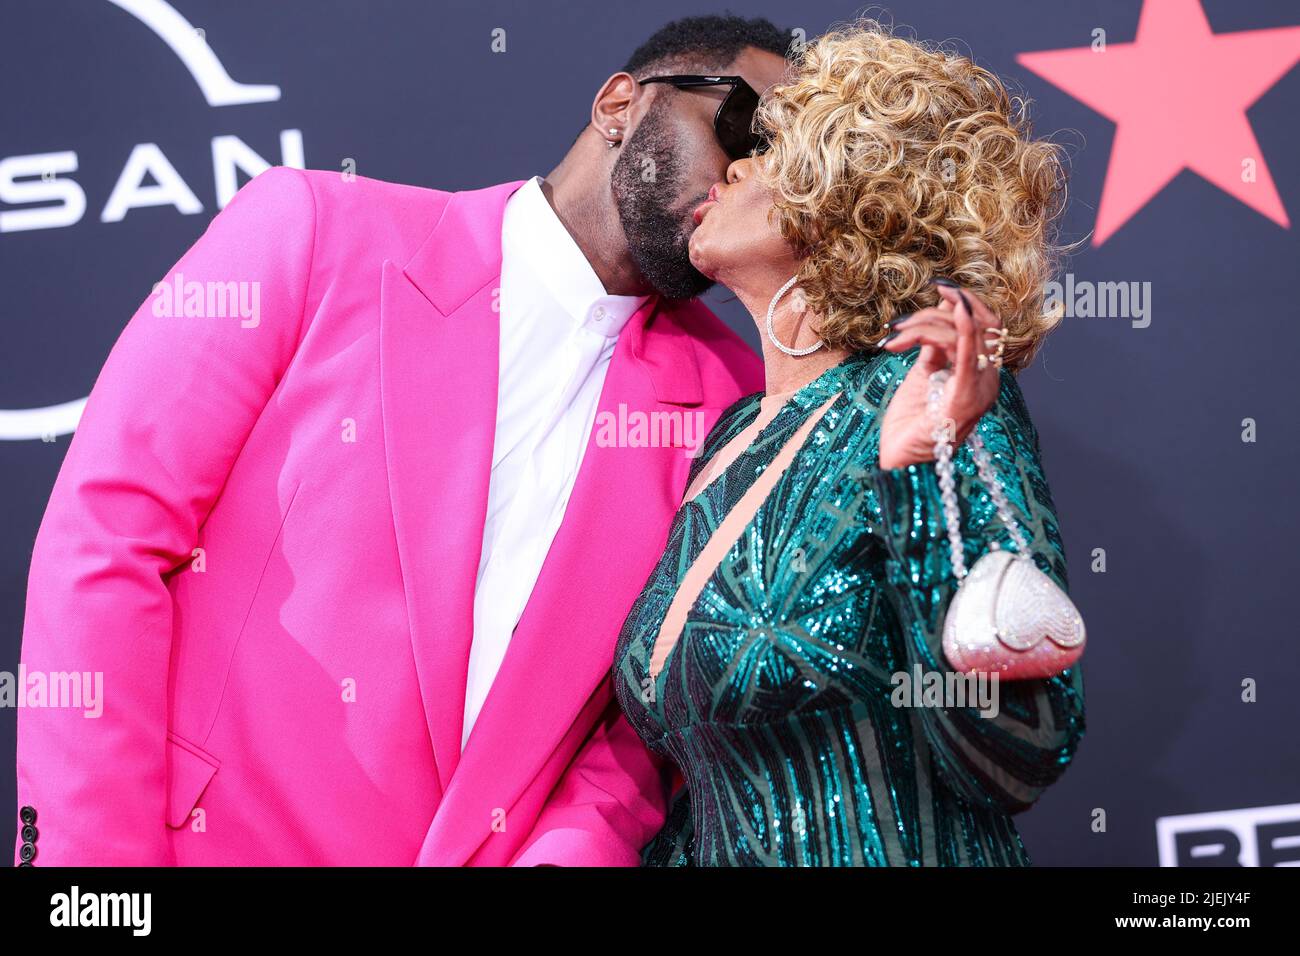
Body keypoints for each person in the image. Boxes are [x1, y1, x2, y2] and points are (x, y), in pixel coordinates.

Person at [13, 14, 791, 866]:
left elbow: (634, 728)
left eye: (795, 171)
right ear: (619, 105)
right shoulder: (313, 232)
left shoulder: (733, 398)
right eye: (747, 127)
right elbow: (107, 542)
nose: (757, 172)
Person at [613, 18, 1087, 866]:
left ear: (848, 201)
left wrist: (915, 483)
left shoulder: (929, 395)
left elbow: (1023, 749)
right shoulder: (732, 435)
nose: (737, 164)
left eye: (773, 151)